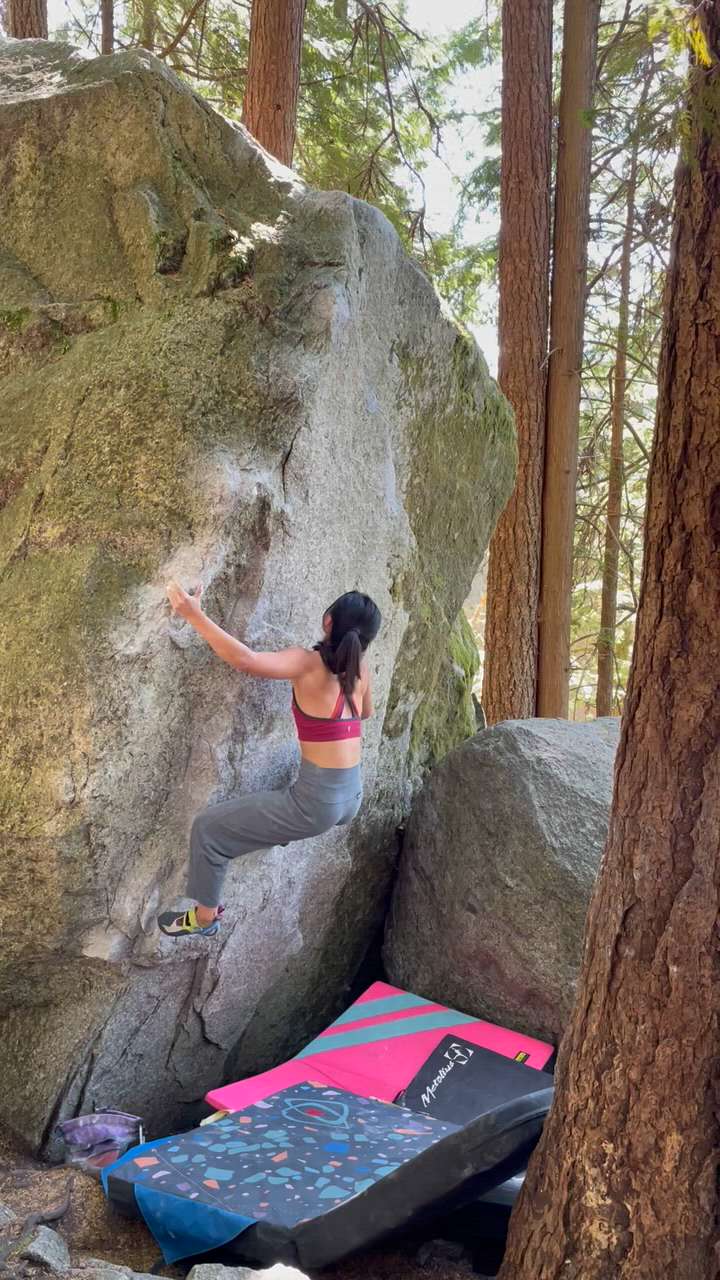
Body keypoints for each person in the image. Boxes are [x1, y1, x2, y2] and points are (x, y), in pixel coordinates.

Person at [157, 585, 382, 938]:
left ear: (328, 621)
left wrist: (192, 614)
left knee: (209, 829)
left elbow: (245, 660)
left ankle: (204, 920)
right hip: (352, 795)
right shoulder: (361, 671)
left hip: (315, 806)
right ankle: (275, 830)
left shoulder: (307, 663)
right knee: (267, 819)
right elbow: (365, 712)